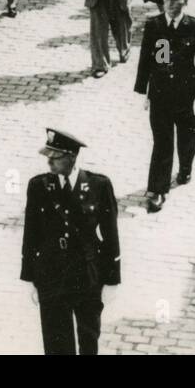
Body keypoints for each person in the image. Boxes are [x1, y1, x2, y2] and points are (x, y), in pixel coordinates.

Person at [20, 128, 120, 356]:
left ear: (71, 158)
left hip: (87, 274)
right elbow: (31, 234)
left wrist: (112, 280)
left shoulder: (98, 185)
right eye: (48, 157)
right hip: (51, 274)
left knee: (88, 339)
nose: (49, 164)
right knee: (56, 343)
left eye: (55, 158)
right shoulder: (38, 186)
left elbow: (111, 235)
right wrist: (29, 278)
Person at [134, 0, 195, 214]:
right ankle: (157, 190)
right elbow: (150, 60)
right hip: (161, 95)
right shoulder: (156, 26)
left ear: (185, 1)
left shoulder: (194, 27)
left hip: (186, 96)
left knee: (187, 138)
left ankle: (185, 168)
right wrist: (144, 91)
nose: (170, 4)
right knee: (162, 143)